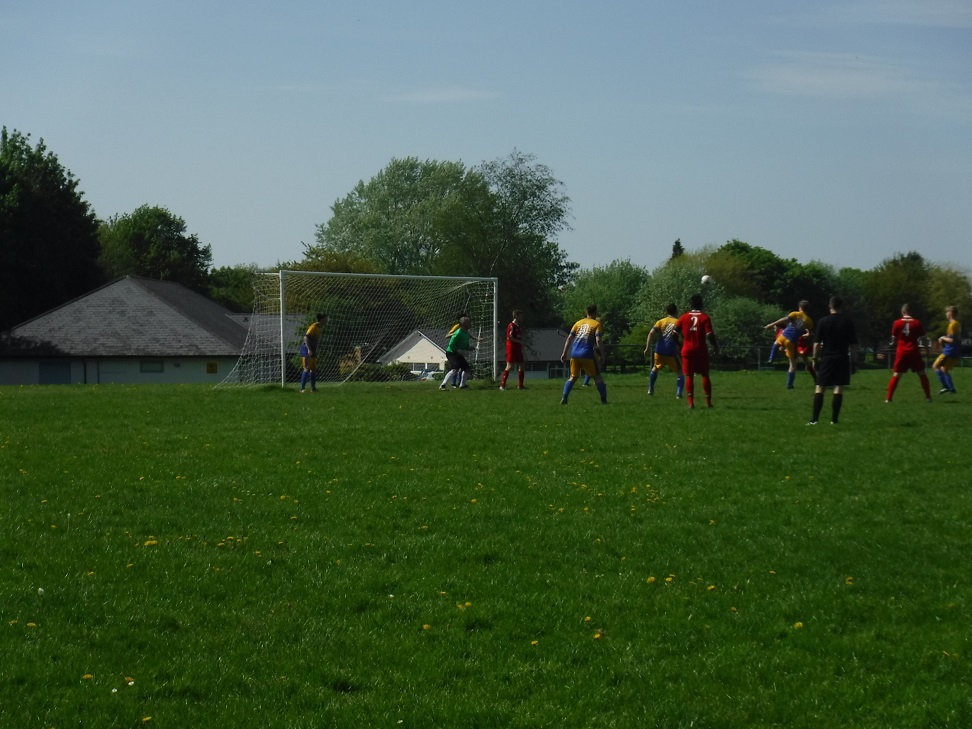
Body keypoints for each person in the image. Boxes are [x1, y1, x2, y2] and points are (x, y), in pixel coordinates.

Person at [808, 295, 858, 425]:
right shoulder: (847, 322)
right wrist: (854, 362)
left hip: (827, 358)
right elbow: (853, 345)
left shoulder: (823, 321)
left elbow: (817, 344)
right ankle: (834, 420)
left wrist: (815, 359)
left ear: (830, 306)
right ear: (841, 306)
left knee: (820, 388)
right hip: (842, 357)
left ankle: (814, 419)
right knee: (838, 388)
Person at [676, 294, 719, 409]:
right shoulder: (705, 317)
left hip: (687, 350)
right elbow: (709, 335)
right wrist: (716, 346)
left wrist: (681, 345)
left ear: (691, 304)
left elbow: (674, 334)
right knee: (705, 374)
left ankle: (691, 403)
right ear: (701, 304)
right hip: (701, 350)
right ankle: (708, 403)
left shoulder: (683, 317)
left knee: (689, 376)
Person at [560, 305, 607, 405]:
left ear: (586, 313)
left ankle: (564, 397)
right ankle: (604, 400)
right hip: (587, 354)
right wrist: (602, 354)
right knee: (597, 377)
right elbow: (598, 340)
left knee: (573, 377)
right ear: (595, 313)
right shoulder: (596, 324)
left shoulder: (578, 323)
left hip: (574, 354)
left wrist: (564, 353)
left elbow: (569, 338)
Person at [885, 303, 932, 403]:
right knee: (921, 373)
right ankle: (928, 397)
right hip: (914, 350)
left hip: (901, 351)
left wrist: (894, 343)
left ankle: (888, 398)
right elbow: (924, 339)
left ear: (903, 312)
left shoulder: (897, 323)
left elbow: (894, 339)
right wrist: (927, 351)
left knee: (897, 374)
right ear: (911, 312)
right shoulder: (917, 323)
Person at [764, 301, 816, 389]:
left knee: (775, 343)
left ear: (799, 308)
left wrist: (771, 325)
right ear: (808, 309)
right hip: (792, 341)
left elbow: (783, 319)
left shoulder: (795, 314)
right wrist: (806, 334)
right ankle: (789, 385)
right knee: (793, 364)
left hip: (784, 336)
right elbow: (809, 333)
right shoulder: (809, 321)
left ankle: (771, 358)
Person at [644, 303, 684, 398]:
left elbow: (651, 333)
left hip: (659, 350)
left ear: (667, 311)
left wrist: (647, 347)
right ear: (676, 311)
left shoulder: (661, 321)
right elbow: (683, 336)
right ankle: (679, 393)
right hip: (671, 351)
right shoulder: (678, 322)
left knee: (655, 368)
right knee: (680, 371)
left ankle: (650, 388)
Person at [440, 316, 476, 390]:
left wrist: (469, 348)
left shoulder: (466, 333)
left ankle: (462, 385)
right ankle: (442, 385)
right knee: (455, 369)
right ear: (464, 324)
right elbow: (451, 345)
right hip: (452, 353)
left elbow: (465, 345)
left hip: (458, 353)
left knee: (467, 369)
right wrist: (459, 350)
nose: (470, 324)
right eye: (468, 323)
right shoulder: (458, 333)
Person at [932, 306, 961, 395]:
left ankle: (945, 387)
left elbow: (952, 340)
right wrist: (945, 339)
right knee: (944, 369)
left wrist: (942, 338)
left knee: (935, 366)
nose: (946, 314)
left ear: (951, 313)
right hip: (953, 350)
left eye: (947, 312)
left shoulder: (953, 324)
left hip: (949, 351)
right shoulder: (955, 324)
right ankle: (952, 389)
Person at [299, 312, 328, 393]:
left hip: (313, 350)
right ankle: (302, 389)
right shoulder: (313, 327)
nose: (327, 321)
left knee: (313, 369)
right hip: (306, 350)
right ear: (321, 319)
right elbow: (305, 337)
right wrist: (309, 349)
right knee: (307, 368)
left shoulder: (319, 328)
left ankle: (313, 388)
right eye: (326, 319)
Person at [499, 309, 526, 390]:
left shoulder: (518, 326)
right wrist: (519, 341)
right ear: (516, 316)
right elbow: (509, 338)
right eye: (520, 316)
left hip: (517, 348)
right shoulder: (511, 326)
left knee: (521, 365)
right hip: (511, 348)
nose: (522, 317)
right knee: (509, 366)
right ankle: (502, 385)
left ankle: (520, 385)